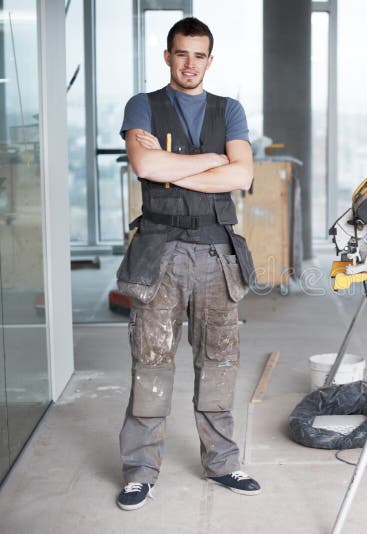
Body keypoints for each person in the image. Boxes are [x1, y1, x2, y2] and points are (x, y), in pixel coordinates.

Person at [115, 17, 260, 511]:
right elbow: (147, 166)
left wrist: (185, 168)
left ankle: (221, 462)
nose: (190, 63)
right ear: (168, 56)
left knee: (220, 363)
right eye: (181, 54)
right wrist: (212, 160)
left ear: (210, 60)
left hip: (218, 256)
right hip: (160, 254)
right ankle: (140, 469)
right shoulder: (144, 105)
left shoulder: (229, 109)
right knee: (151, 363)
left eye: (199, 55)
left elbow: (242, 174)